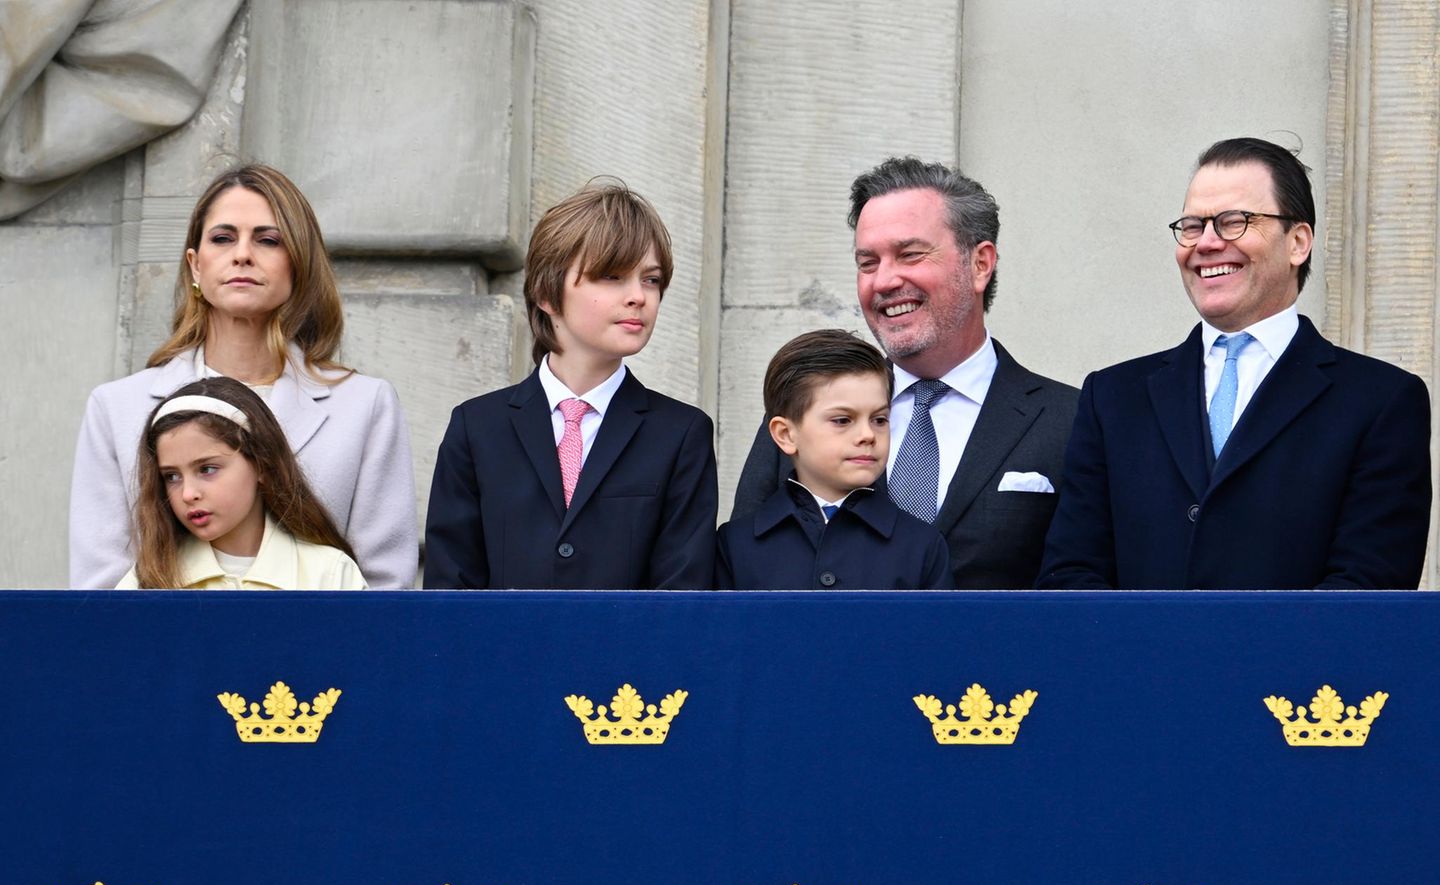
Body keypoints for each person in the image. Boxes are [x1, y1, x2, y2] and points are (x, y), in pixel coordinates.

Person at [1038, 137, 1431, 589]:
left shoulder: (1379, 401)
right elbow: (1071, 575)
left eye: (1233, 222)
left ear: (1298, 242)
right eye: (1191, 226)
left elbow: (1365, 590)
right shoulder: (1114, 397)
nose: (1205, 243)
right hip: (1140, 660)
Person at [732, 157, 1078, 588]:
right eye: (867, 262)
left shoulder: (1072, 420)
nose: (884, 281)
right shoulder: (805, 408)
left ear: (980, 264)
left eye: (909, 254)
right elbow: (746, 569)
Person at [70, 164, 417, 589]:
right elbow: (102, 589)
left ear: (299, 264)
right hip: (167, 651)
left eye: (268, 240)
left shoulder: (364, 405)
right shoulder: (117, 407)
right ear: (195, 267)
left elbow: (385, 587)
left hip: (323, 650)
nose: (242, 254)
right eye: (222, 238)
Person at [424, 181, 717, 589]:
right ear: (547, 291)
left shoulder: (682, 433)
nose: (639, 296)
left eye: (650, 279)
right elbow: (450, 589)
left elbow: (683, 595)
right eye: (612, 276)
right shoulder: (477, 427)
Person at [717, 330, 951, 589]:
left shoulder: (922, 546)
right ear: (786, 434)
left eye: (880, 420)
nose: (867, 435)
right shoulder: (734, 545)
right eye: (842, 420)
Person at [117, 377, 365, 590]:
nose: (188, 494)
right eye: (172, 476)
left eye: (207, 469)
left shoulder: (331, 574)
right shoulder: (148, 580)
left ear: (261, 464)